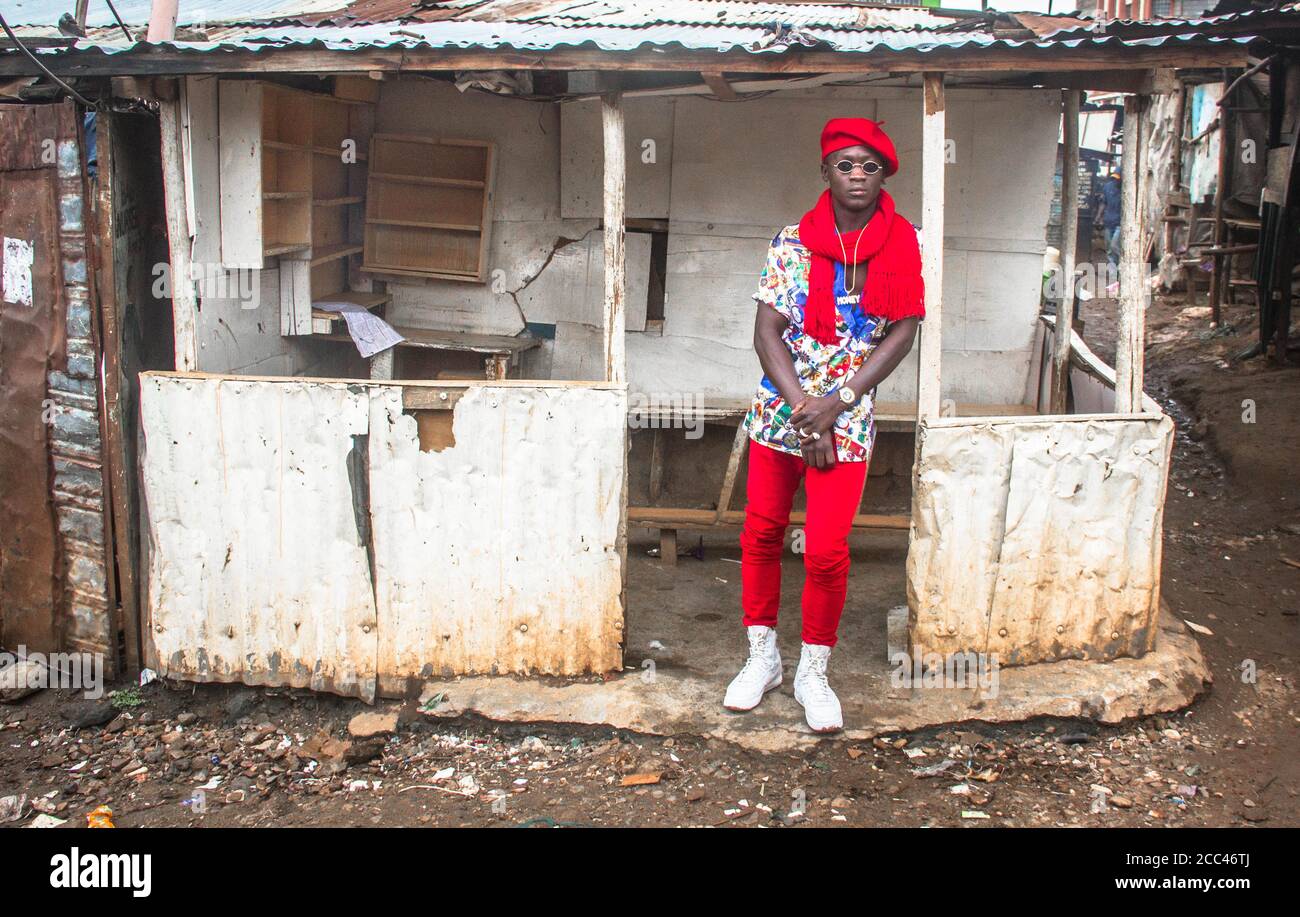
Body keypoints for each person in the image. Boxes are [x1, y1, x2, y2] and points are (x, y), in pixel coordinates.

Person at [724, 118, 924, 733]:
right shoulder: (792, 242)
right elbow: (767, 333)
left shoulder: (905, 241)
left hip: (849, 415)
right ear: (826, 172)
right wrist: (806, 414)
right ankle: (764, 659)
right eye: (846, 164)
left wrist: (837, 402)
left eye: (870, 165)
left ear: (884, 173)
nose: (858, 175)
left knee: (829, 551)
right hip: (782, 412)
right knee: (761, 533)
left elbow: (904, 329)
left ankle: (814, 670)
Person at [1095, 168, 1122, 269]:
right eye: (1115, 178)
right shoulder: (1108, 187)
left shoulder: (1125, 189)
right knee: (1109, 248)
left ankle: (1120, 266)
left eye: (1118, 179)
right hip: (1109, 221)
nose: (1116, 180)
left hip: (1120, 223)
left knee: (1114, 246)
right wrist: (1098, 216)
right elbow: (1103, 203)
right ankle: (1113, 272)